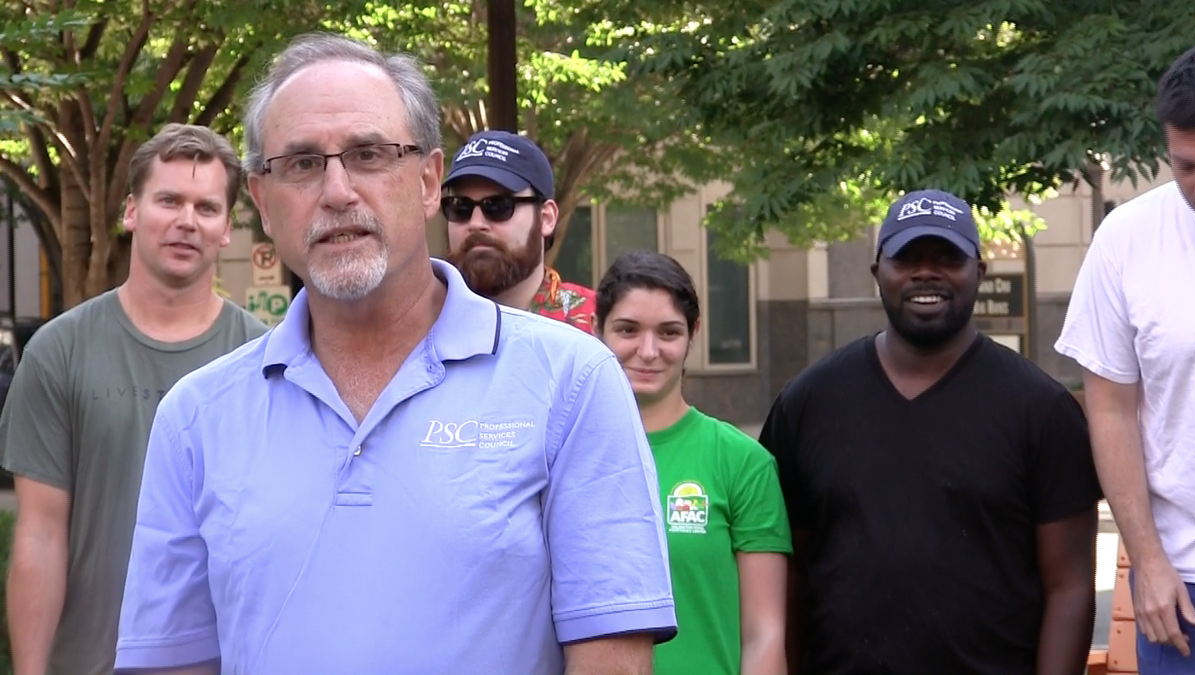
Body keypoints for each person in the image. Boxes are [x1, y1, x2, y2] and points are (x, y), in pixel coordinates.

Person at [114, 32, 675, 675]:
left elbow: (611, 657)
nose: (337, 191)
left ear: (429, 180)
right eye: (300, 163)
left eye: (369, 154)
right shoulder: (196, 417)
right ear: (263, 203)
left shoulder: (572, 384)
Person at [758, 189, 1102, 675]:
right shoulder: (809, 402)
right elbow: (783, 573)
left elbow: (1069, 587)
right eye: (907, 258)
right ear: (878, 273)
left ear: (979, 272)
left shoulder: (1040, 410)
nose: (926, 272)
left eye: (947, 257)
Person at [0, 123, 268, 675]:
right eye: (168, 200)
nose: (186, 221)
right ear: (131, 212)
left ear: (225, 231)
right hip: (88, 662)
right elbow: (40, 533)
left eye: (207, 207)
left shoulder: (263, 359)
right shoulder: (60, 351)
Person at [1055, 45, 1195, 674]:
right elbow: (1110, 411)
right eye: (1186, 166)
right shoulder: (1128, 238)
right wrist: (1147, 561)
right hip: (1182, 583)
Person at [594, 250, 791, 675]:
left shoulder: (742, 463)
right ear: (599, 330)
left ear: (693, 333)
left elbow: (765, 637)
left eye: (668, 332)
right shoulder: (564, 455)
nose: (648, 351)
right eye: (628, 330)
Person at [442, 129, 596, 333]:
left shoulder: (600, 324)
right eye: (460, 207)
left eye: (498, 206)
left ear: (546, 219)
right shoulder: (418, 324)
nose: (476, 223)